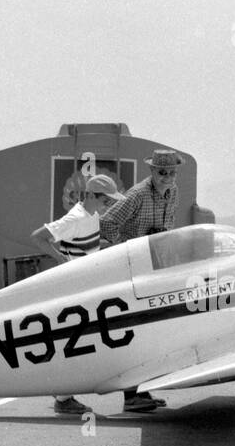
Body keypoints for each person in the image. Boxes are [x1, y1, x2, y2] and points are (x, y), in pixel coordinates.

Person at [29, 174, 122, 415]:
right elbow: (38, 237)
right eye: (106, 201)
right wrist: (64, 261)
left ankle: (63, 395)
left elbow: (85, 244)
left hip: (85, 290)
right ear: (91, 195)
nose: (109, 205)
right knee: (74, 344)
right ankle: (63, 397)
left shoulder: (92, 215)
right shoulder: (76, 217)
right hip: (74, 292)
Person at [100, 149, 182, 412]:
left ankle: (142, 392)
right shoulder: (137, 195)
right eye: (161, 172)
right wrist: (130, 248)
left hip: (155, 271)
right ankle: (132, 396)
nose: (167, 177)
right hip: (132, 271)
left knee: (153, 330)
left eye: (171, 172)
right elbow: (107, 223)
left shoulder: (173, 192)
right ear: (152, 171)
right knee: (136, 332)